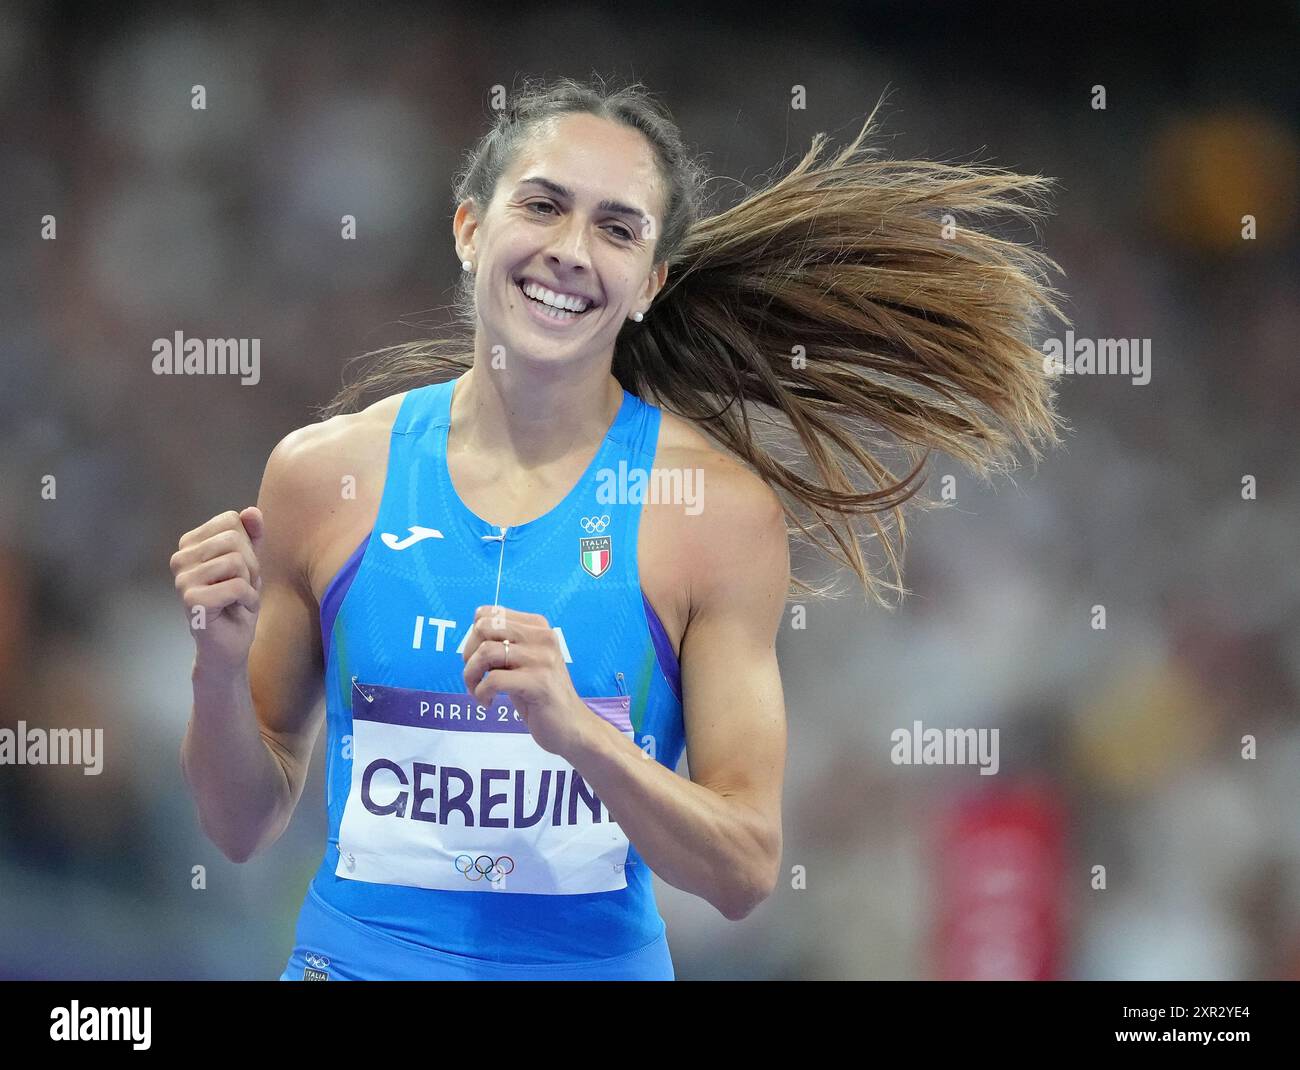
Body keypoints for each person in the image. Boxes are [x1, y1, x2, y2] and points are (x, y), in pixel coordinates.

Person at [171, 76, 1067, 980]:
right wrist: (215, 667)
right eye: (544, 206)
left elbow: (745, 865)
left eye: (616, 228)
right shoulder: (325, 477)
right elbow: (241, 824)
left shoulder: (711, 513)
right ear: (469, 228)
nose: (570, 251)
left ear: (649, 282)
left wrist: (578, 734)